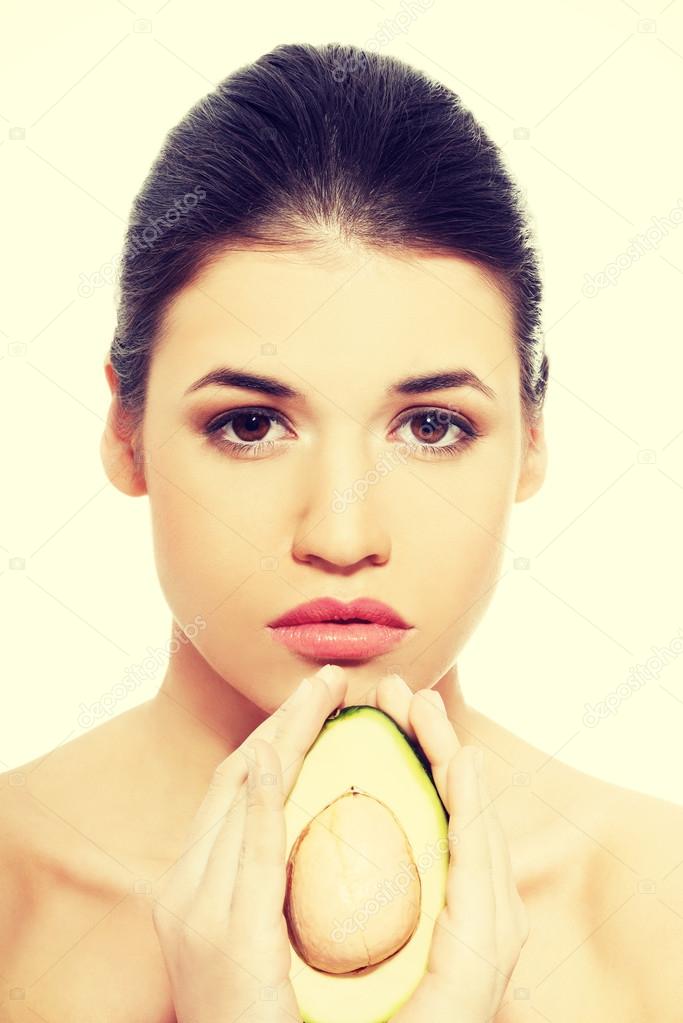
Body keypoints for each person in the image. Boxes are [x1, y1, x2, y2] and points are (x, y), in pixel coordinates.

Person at [1, 40, 681, 1023]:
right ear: (124, 433)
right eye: (248, 424)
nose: (342, 531)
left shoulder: (654, 916)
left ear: (532, 440)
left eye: (431, 426)